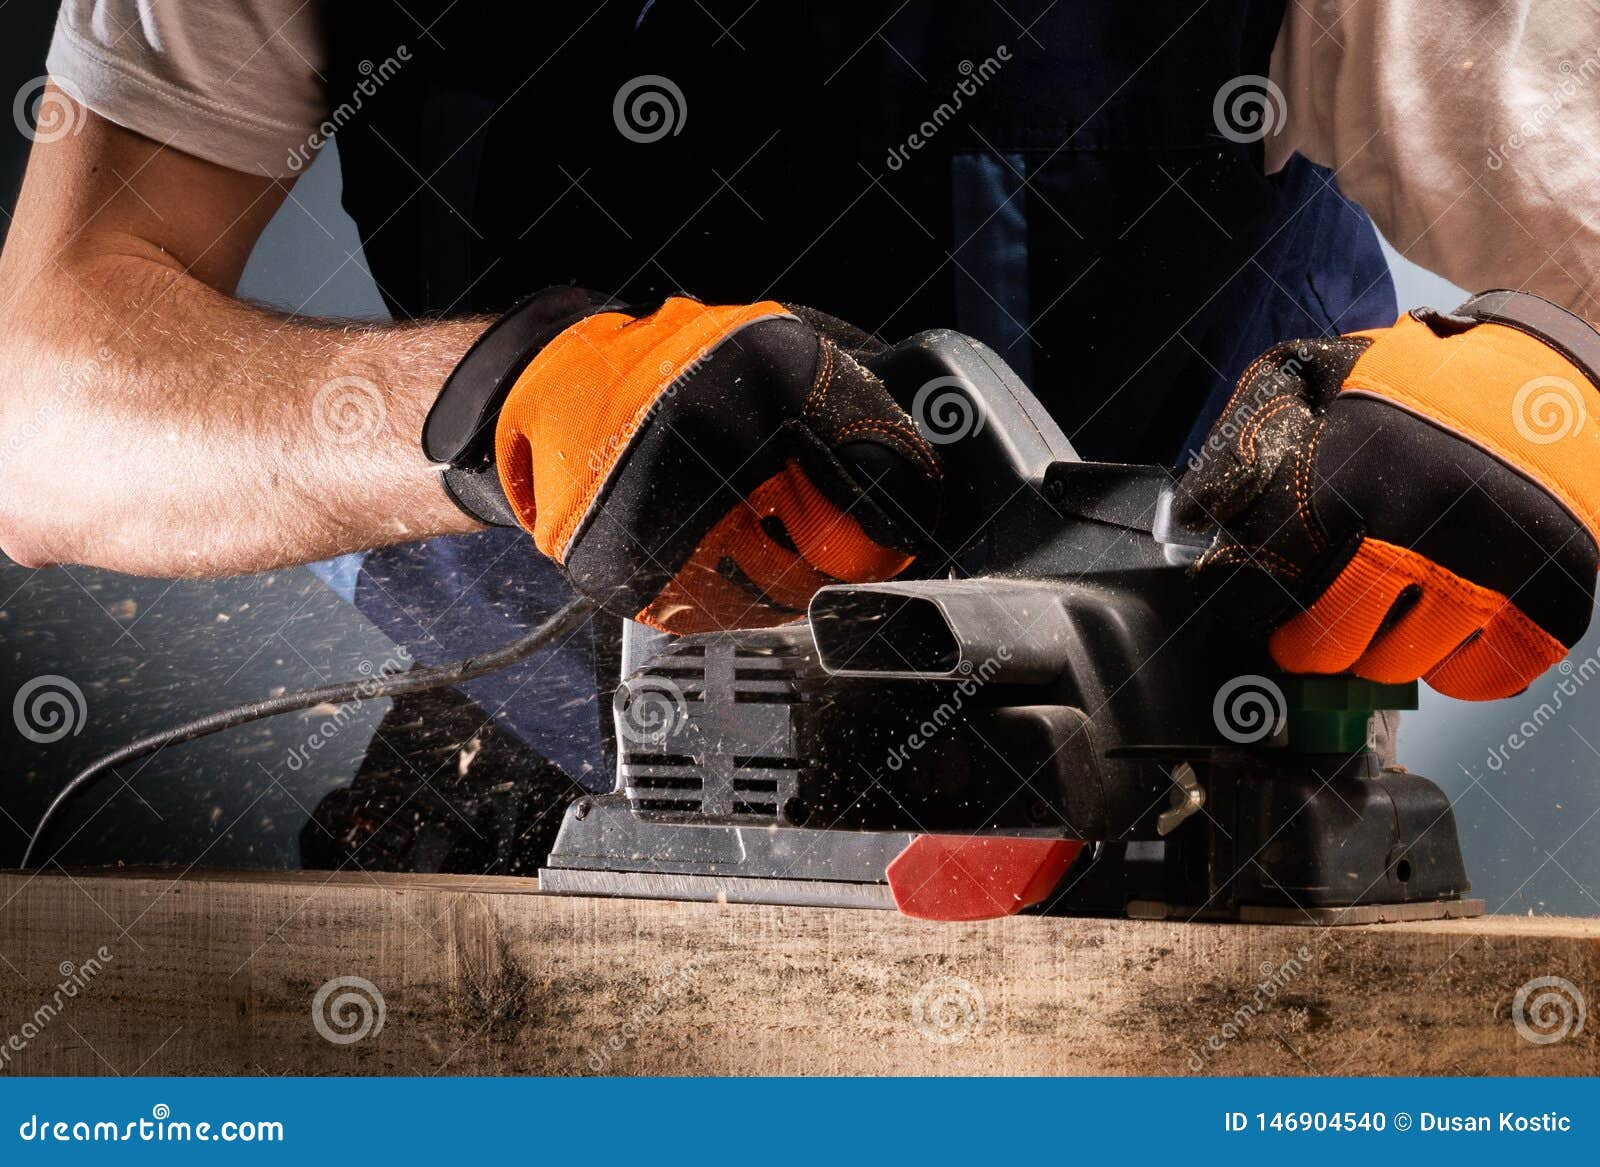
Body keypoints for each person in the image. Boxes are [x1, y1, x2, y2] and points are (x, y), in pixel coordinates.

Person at [3, 2, 1599, 870]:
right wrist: (495, 406)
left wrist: (1546, 384)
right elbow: (41, 398)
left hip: (1165, 799)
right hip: (555, 753)